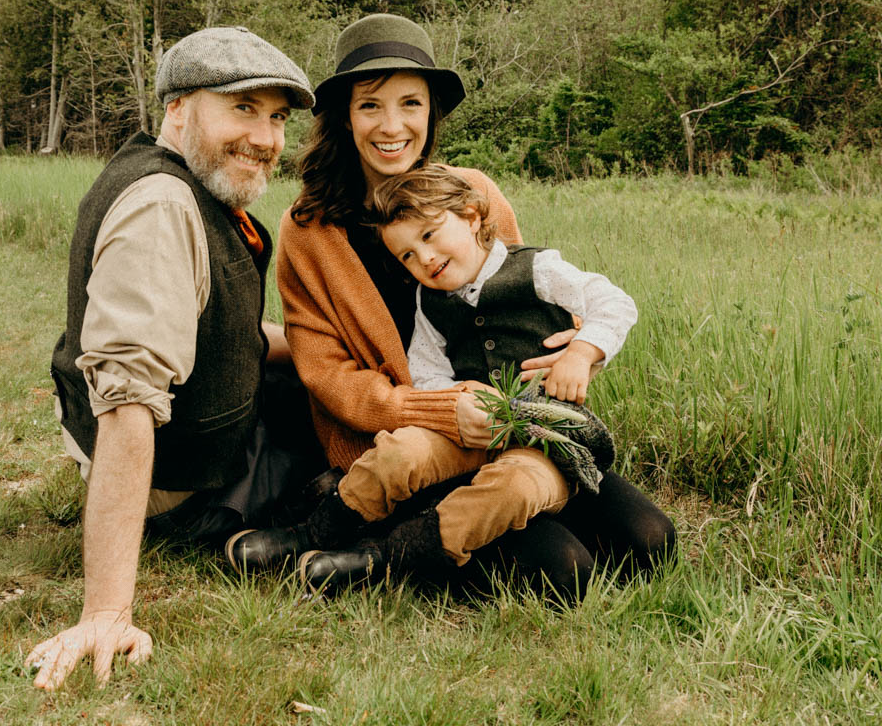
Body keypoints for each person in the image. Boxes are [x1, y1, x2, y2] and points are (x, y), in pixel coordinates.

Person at [255, 13, 675, 599]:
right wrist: (432, 409)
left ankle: (462, 518)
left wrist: (581, 348)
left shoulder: (470, 193)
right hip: (408, 441)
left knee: (649, 541)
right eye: (370, 105)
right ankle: (371, 547)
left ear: (431, 112)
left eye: (411, 103)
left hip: (513, 424)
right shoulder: (310, 229)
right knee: (564, 570)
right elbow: (324, 374)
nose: (392, 125)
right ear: (345, 116)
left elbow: (527, 298)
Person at [28, 26, 321, 691]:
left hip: (181, 432)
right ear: (178, 108)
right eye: (241, 108)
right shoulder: (164, 208)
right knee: (358, 452)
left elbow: (222, 330)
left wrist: (320, 350)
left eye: (275, 118)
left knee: (330, 380)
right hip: (184, 480)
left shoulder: (179, 181)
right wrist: (106, 611)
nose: (266, 138)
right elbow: (130, 404)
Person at [229, 164, 636, 587]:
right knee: (400, 451)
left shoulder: (537, 269)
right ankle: (316, 531)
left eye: (429, 236)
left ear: (474, 215)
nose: (424, 258)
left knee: (513, 489)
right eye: (407, 255)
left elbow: (613, 303)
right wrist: (456, 399)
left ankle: (389, 555)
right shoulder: (432, 302)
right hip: (471, 430)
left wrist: (582, 353)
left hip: (545, 441)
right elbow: (425, 372)